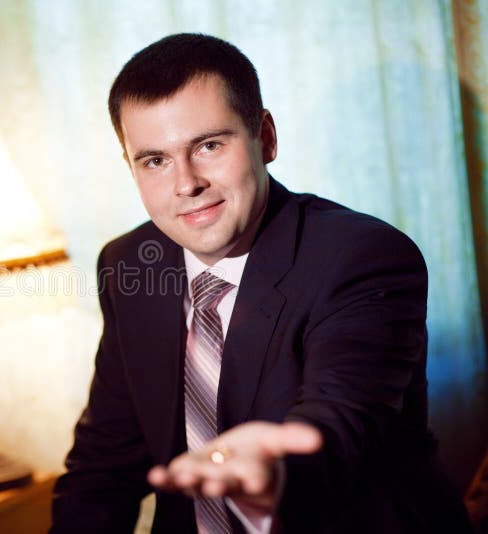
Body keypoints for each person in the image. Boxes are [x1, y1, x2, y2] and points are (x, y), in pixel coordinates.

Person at [51, 33, 471, 533]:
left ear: (265, 137)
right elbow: (104, 467)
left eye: (208, 145)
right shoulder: (129, 265)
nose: (186, 184)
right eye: (155, 160)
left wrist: (274, 472)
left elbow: (342, 421)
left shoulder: (362, 255)